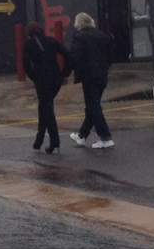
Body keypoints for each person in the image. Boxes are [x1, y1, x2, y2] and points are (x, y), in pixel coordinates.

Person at [66, 11, 115, 150]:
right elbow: (110, 55)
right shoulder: (102, 36)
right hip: (102, 75)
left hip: (89, 76)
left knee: (93, 107)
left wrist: (69, 72)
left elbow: (75, 58)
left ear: (79, 23)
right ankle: (82, 136)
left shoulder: (79, 38)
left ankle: (105, 137)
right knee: (92, 107)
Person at [22, 22, 71, 153]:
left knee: (46, 109)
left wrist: (34, 76)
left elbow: (26, 65)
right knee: (44, 106)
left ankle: (54, 141)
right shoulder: (52, 41)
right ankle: (39, 141)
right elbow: (67, 54)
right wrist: (65, 73)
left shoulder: (28, 44)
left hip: (42, 79)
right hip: (56, 78)